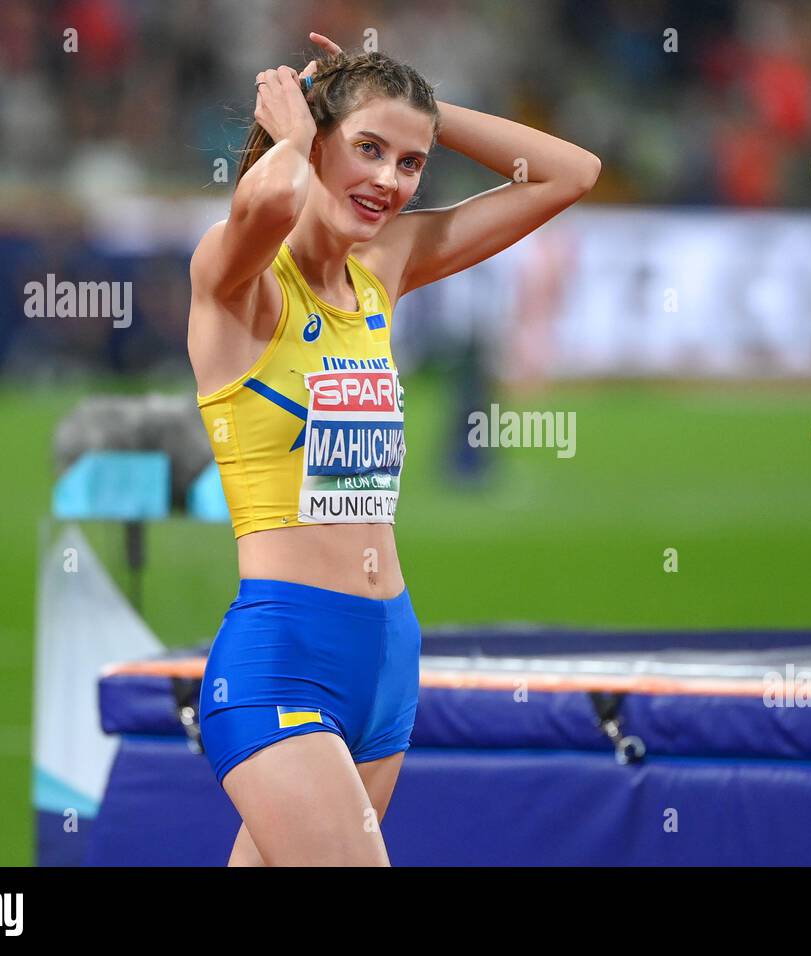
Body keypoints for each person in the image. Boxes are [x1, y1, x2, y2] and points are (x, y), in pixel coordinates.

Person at [186, 32, 599, 866]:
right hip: (282, 663)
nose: (388, 180)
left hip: (386, 660)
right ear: (313, 141)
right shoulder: (241, 287)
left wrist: (425, 114)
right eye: (368, 149)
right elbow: (264, 207)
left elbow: (569, 174)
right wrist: (294, 135)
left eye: (410, 164)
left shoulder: (386, 267)